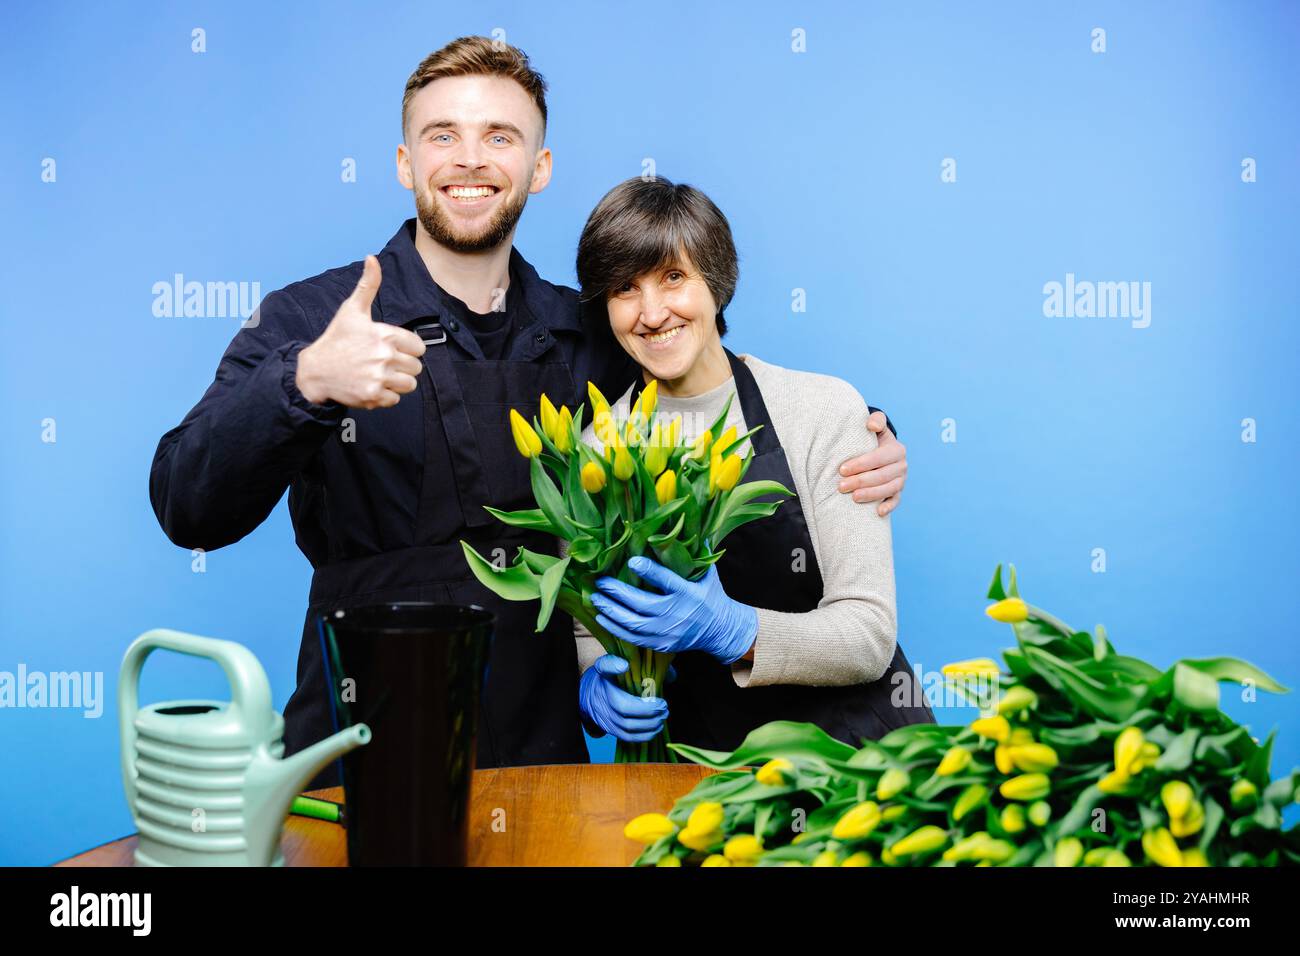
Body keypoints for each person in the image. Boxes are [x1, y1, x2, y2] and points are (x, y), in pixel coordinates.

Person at [149, 37, 910, 789]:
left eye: (499, 137)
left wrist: (865, 429)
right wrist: (304, 381)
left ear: (537, 168)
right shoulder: (313, 317)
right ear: (405, 162)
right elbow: (188, 505)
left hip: (543, 756)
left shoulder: (588, 334)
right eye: (442, 135)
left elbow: (704, 378)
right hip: (356, 739)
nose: (470, 159)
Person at [573, 177, 935, 753]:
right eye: (624, 288)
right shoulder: (598, 448)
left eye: (673, 277)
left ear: (714, 283)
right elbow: (587, 618)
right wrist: (598, 680)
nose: (651, 311)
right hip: (705, 770)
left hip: (858, 762)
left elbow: (869, 635)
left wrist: (735, 631)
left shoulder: (821, 410)